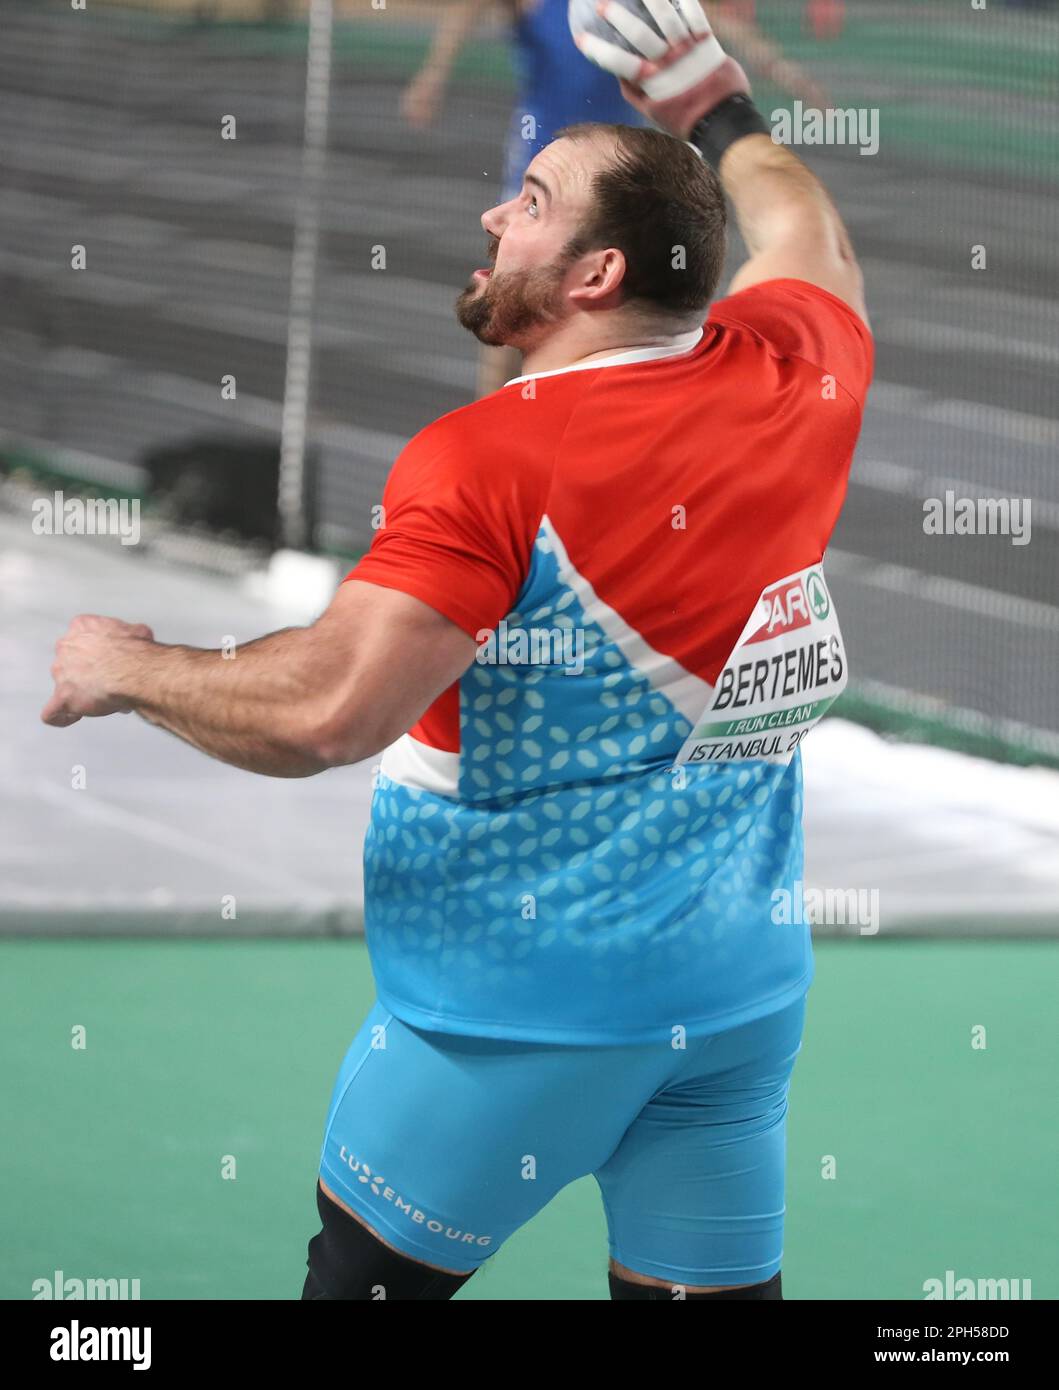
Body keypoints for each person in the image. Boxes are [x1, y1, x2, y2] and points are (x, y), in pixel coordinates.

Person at [43, 0, 871, 1300]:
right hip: (734, 1003)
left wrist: (125, 666)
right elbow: (805, 229)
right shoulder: (794, 370)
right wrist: (713, 104)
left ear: (595, 276)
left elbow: (327, 712)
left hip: (512, 1017)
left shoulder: (488, 458)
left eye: (530, 203)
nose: (495, 215)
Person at [402, 0, 830, 396]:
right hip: (542, 168)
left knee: (618, 302)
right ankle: (491, 417)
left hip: (617, 170)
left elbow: (712, 22)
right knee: (514, 294)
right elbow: (468, 7)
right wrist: (433, 74)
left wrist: (785, 70)